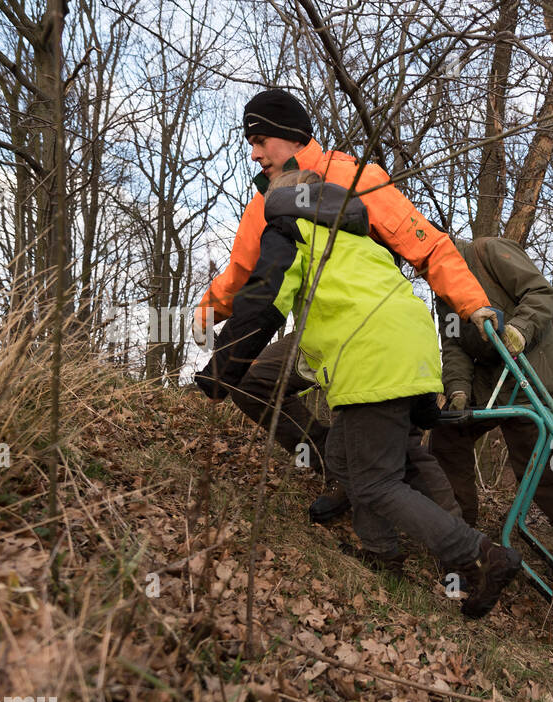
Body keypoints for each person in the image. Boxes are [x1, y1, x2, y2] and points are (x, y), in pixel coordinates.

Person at [194, 170, 521, 619]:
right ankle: (381, 552)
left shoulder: (291, 230)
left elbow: (263, 302)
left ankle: (481, 555)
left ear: (283, 199)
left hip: (372, 359)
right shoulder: (358, 236)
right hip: (412, 351)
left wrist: (223, 367)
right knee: (345, 458)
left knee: (377, 481)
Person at [192, 88, 495, 523]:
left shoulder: (355, 176)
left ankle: (464, 540)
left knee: (403, 443)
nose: (254, 154)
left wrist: (474, 305)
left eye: (260, 141)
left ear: (291, 135)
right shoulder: (266, 201)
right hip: (319, 333)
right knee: (255, 383)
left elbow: (427, 246)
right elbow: (243, 272)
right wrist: (207, 311)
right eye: (250, 145)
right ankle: (339, 467)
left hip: (378, 332)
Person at [430, 236, 553, 580]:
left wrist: (518, 329)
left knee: (537, 462)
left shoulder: (489, 252)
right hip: (488, 382)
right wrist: (456, 390)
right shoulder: (442, 286)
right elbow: (454, 344)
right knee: (448, 436)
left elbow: (541, 293)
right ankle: (463, 540)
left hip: (528, 373)